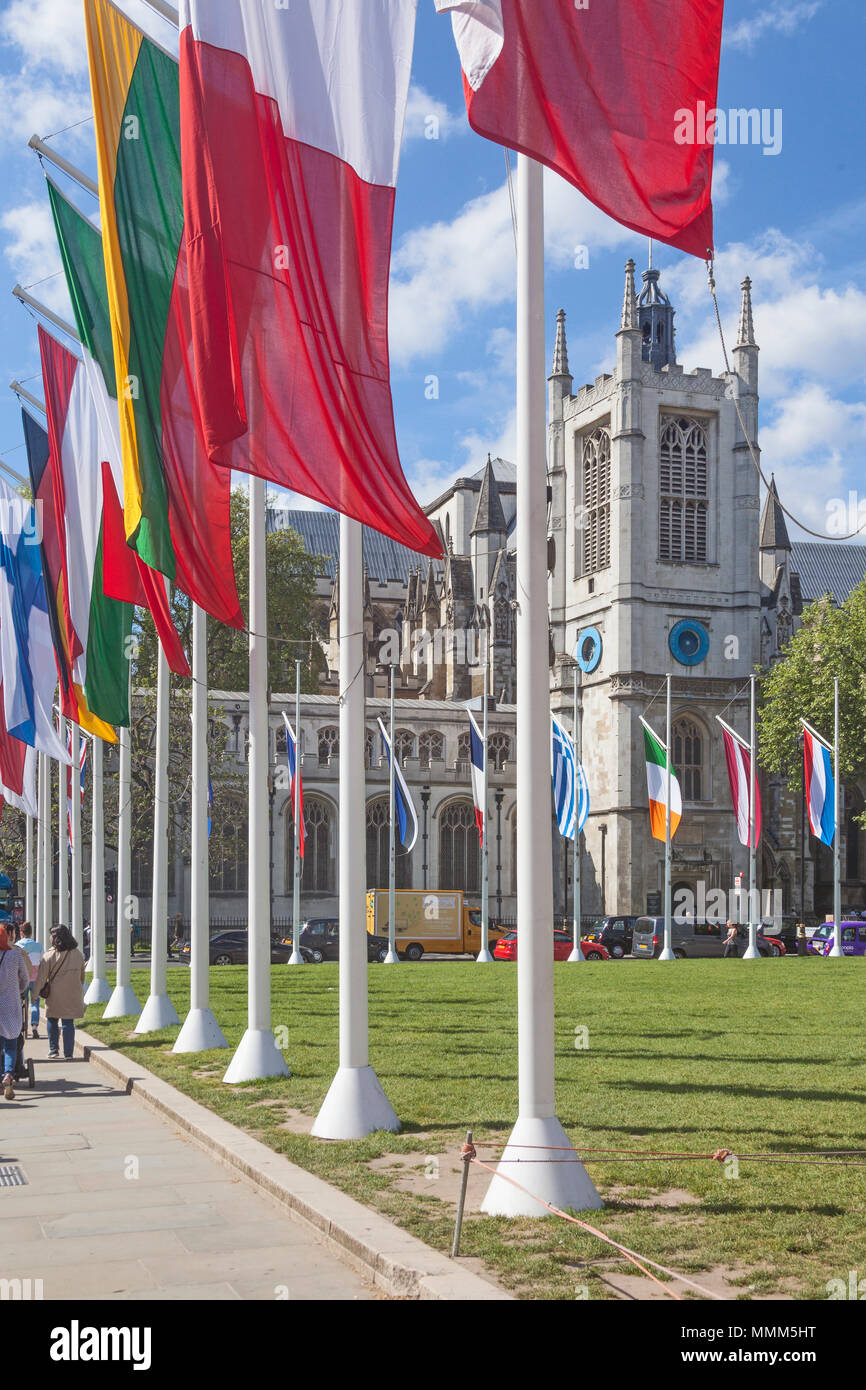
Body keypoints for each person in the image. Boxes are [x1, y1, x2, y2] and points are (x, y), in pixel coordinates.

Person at [33, 926, 86, 1061]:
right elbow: (82, 976)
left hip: (55, 994)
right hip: (73, 992)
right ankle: (69, 1053)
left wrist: (34, 996)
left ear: (56, 938)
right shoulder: (78, 954)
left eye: (51, 935)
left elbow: (41, 978)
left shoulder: (49, 955)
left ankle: (53, 1049)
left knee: (52, 1019)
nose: (49, 937)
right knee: (68, 1022)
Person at [0, 924, 31, 1099]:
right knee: (11, 1043)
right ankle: (9, 1075)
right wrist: (18, 989)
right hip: (11, 1004)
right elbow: (25, 978)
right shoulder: (14, 955)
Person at [15, 922, 43, 1038]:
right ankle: (35, 1026)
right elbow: (42, 961)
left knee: (22, 1002)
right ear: (31, 933)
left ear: (21, 933)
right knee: (35, 1003)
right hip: (35, 978)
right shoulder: (38, 946)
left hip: (22, 979)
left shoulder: (17, 946)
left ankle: (22, 1024)